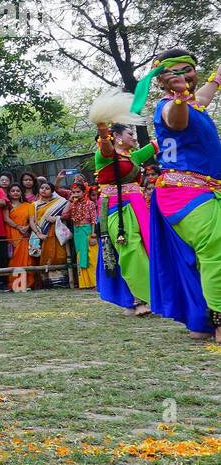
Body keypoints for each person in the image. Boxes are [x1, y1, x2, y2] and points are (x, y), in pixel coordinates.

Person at [142, 48, 221, 340]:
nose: (187, 76)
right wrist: (177, 97)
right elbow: (177, 119)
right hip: (186, 192)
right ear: (163, 80)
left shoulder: (193, 103)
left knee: (204, 257)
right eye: (178, 71)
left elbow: (201, 99)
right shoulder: (168, 107)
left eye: (190, 69)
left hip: (198, 191)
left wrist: (216, 79)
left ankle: (201, 323)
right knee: (216, 252)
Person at [94, 120, 154, 316]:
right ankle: (140, 299)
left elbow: (157, 144)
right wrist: (103, 133)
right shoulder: (105, 156)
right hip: (116, 208)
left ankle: (139, 298)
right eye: (130, 134)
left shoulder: (133, 157)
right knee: (130, 249)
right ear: (117, 137)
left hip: (136, 206)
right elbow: (105, 147)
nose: (134, 138)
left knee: (146, 247)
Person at [29, 180, 69, 286]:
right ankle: (46, 282)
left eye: (47, 188)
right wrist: (38, 234)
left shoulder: (60, 202)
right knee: (44, 256)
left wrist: (57, 218)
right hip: (41, 234)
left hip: (55, 233)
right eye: (42, 188)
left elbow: (67, 212)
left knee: (59, 255)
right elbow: (32, 221)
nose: (44, 190)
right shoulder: (34, 205)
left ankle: (60, 281)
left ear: (52, 191)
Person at [66, 178, 99, 289]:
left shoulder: (90, 203)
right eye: (74, 192)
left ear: (84, 192)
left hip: (87, 230)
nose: (75, 194)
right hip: (77, 231)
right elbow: (65, 214)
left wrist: (93, 234)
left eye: (78, 192)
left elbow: (94, 219)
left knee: (91, 255)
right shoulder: (73, 204)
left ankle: (95, 282)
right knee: (80, 255)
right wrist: (70, 201)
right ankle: (84, 283)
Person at [4, 183, 35, 291]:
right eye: (13, 191)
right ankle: (15, 285)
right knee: (14, 260)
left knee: (26, 260)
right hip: (12, 235)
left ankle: (26, 284)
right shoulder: (7, 206)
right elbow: (6, 219)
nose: (15, 193)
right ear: (9, 193)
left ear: (21, 192)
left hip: (25, 235)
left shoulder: (28, 205)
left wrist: (26, 227)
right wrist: (18, 228)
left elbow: (32, 220)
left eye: (18, 191)